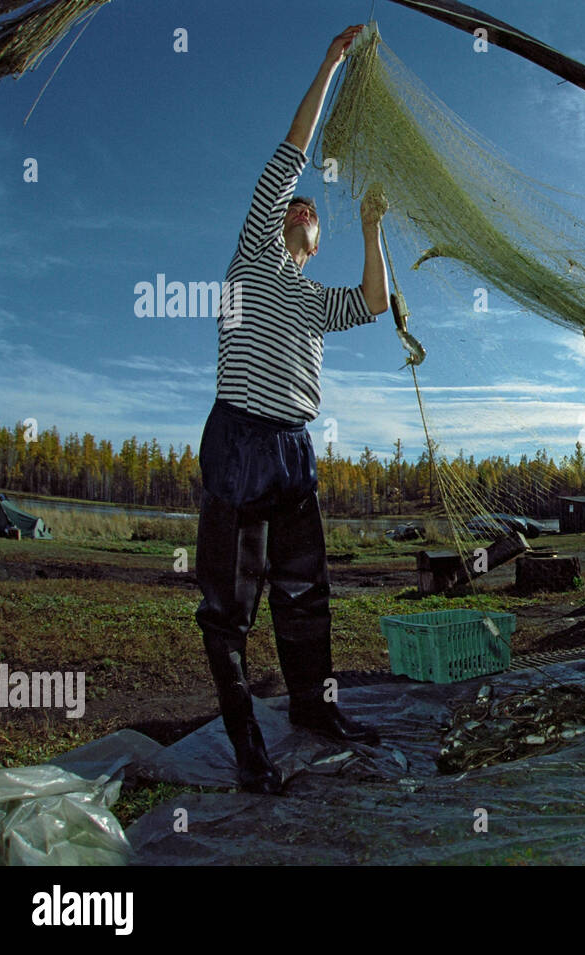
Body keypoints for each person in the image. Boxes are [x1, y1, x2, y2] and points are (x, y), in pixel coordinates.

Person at [195, 25, 390, 795]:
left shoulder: (314, 301)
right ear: (279, 221)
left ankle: (312, 709)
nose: (304, 205)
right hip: (239, 440)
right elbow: (291, 150)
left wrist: (373, 228)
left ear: (316, 237)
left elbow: (375, 300)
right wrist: (333, 61)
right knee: (230, 602)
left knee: (306, 591)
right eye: (295, 203)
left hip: (293, 451)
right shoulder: (253, 257)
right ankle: (248, 743)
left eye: (313, 209)